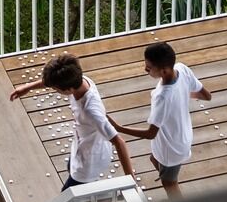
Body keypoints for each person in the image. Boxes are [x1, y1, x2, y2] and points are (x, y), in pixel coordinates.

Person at [8, 53, 136, 189]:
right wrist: (28, 87)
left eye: (55, 89)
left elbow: (119, 142)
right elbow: (53, 81)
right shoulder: (81, 80)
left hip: (90, 159)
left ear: (69, 89)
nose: (53, 90)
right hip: (80, 145)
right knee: (70, 166)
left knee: (68, 194)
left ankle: (96, 195)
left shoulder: (90, 110)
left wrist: (131, 181)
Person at [115, 40, 212, 197]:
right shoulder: (182, 69)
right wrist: (181, 94)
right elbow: (206, 96)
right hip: (183, 137)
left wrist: (118, 128)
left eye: (149, 68)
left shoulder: (162, 96)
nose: (145, 69)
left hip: (171, 149)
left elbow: (150, 134)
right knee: (154, 159)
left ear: (164, 71)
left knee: (170, 185)